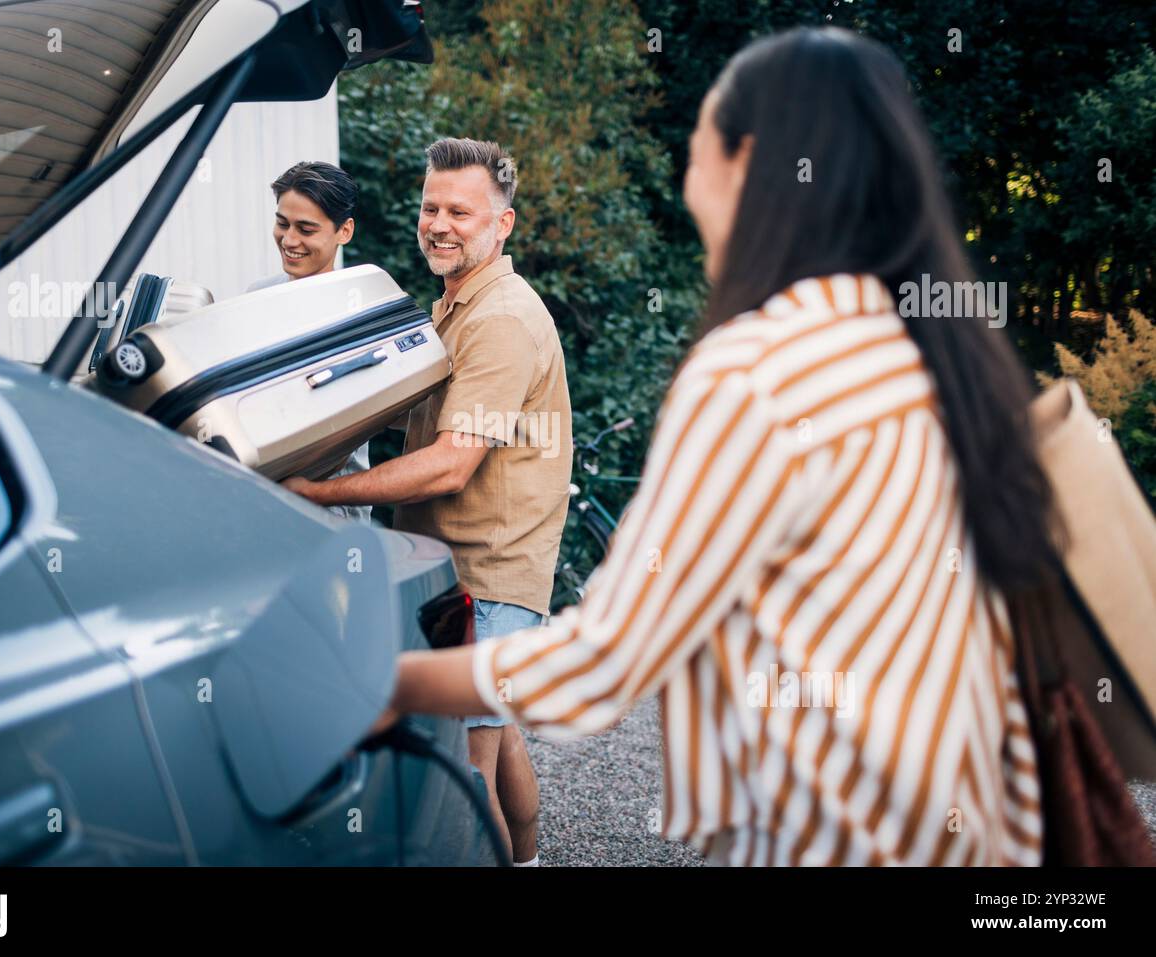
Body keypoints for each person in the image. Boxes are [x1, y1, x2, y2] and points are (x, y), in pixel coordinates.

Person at [377, 28, 1058, 866]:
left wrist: (392, 684)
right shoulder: (928, 350)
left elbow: (607, 659)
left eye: (699, 136)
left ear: (748, 168)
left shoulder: (754, 368)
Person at [283, 138, 573, 867]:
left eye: (460, 212)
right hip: (475, 572)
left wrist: (318, 490)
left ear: (501, 225)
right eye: (430, 207)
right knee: (496, 741)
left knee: (462, 775)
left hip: (487, 574)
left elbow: (449, 464)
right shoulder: (457, 303)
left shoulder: (499, 318)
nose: (439, 223)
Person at [250, 161, 370, 524]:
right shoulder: (255, 298)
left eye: (306, 229)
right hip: (261, 504)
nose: (288, 240)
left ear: (344, 231)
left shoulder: (361, 314)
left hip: (330, 516)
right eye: (282, 223)